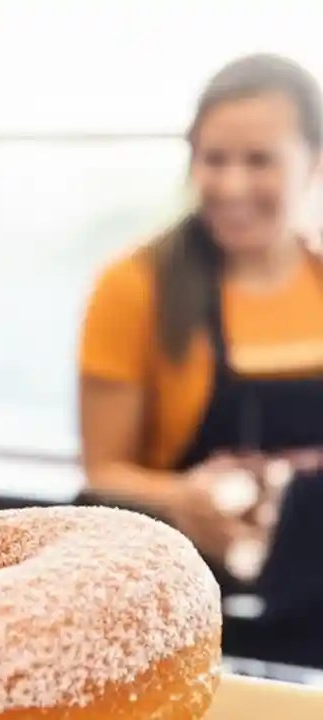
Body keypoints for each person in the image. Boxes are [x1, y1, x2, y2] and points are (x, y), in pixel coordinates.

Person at [79, 53, 323, 668]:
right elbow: (103, 470)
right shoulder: (133, 287)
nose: (231, 185)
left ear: (313, 164)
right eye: (214, 159)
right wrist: (183, 497)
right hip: (176, 607)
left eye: (259, 160)